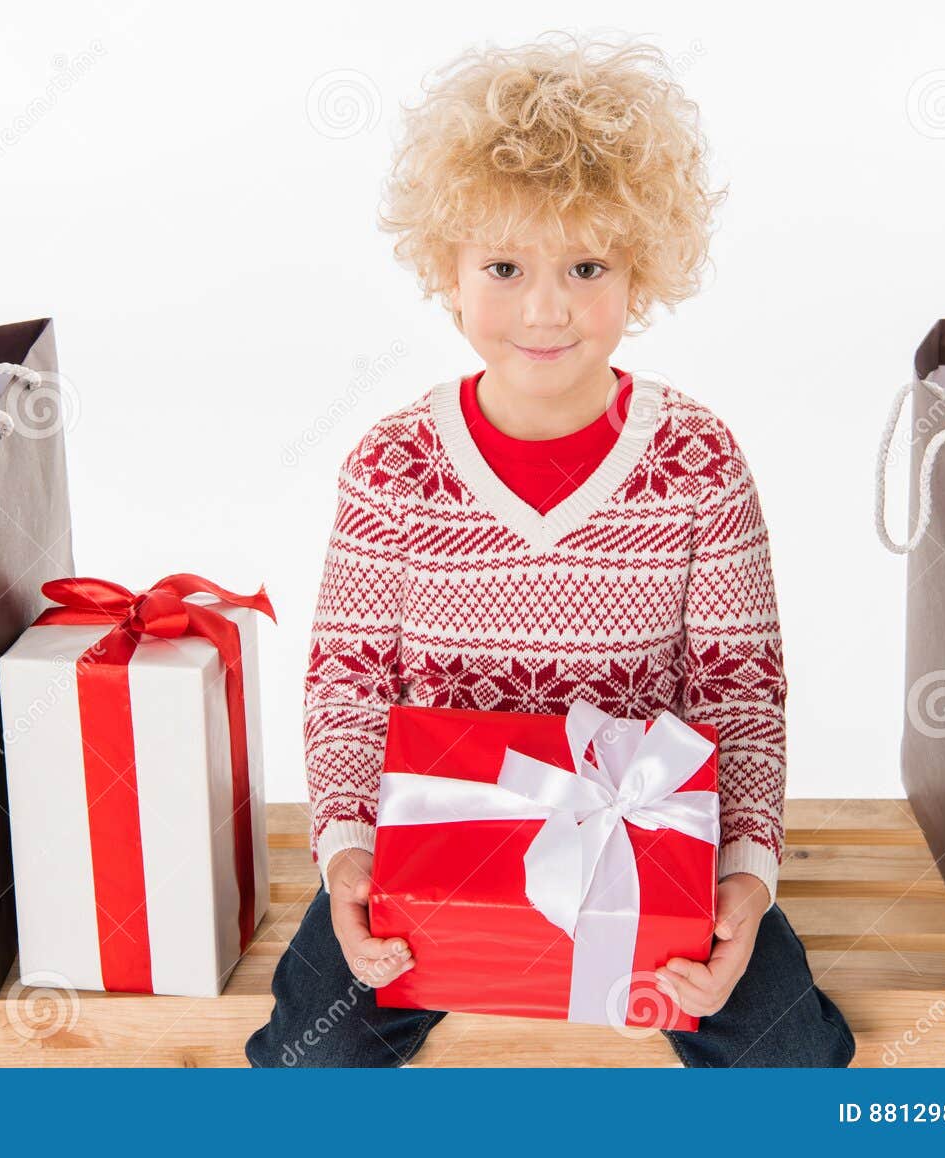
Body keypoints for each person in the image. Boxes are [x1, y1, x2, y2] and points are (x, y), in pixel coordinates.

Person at [246, 31, 854, 1068]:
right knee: (311, 1058)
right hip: (435, 850)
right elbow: (348, 682)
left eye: (586, 265)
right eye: (503, 266)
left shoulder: (699, 461)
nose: (545, 307)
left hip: (648, 850)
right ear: (446, 268)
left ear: (640, 267)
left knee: (792, 1059)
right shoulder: (391, 466)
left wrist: (743, 884)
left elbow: (737, 688)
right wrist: (349, 858)